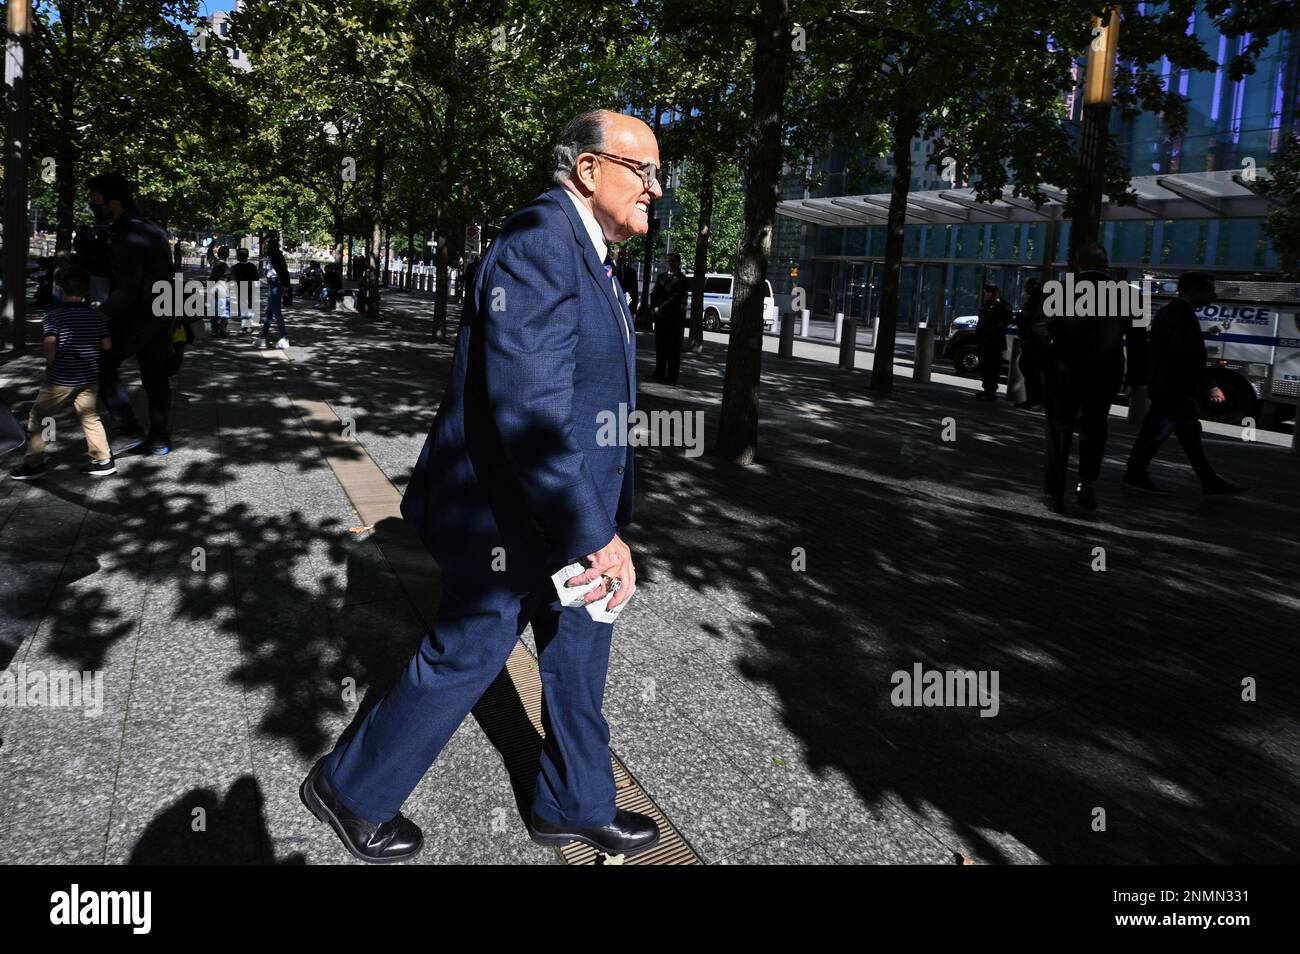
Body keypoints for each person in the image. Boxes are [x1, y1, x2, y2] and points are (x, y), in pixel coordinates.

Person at [301, 109, 662, 863]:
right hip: (514, 518)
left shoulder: (590, 253)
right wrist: (595, 533)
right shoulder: (540, 242)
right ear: (590, 170)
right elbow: (531, 410)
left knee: (578, 658)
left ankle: (574, 805)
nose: (656, 189)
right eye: (644, 170)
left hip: (569, 510)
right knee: (467, 653)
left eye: (660, 175)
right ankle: (349, 790)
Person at [1041, 243, 1147, 513]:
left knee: (1059, 429)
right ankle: (1086, 483)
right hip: (1104, 373)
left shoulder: (1060, 290)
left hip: (1064, 371)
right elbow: (1138, 341)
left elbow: (1041, 329)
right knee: (1095, 428)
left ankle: (1055, 490)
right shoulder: (1131, 296)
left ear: (1077, 264)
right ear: (1107, 265)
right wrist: (1135, 378)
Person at [1123, 271, 1248, 497]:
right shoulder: (1179, 314)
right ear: (1193, 290)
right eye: (1208, 290)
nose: (1213, 295)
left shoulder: (1175, 312)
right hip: (1172, 387)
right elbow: (1187, 355)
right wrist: (1208, 385)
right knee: (1157, 433)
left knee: (1185, 434)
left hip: (1169, 385)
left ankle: (1207, 480)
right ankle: (1135, 474)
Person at [88, 172, 177, 457]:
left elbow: (128, 288)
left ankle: (128, 428)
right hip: (162, 311)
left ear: (114, 202)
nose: (94, 205)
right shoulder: (152, 228)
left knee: (100, 362)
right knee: (155, 377)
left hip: (138, 315)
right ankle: (159, 439)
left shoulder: (128, 234)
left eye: (96, 200)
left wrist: (98, 317)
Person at [10, 264, 115, 480]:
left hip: (61, 377)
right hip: (89, 376)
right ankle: (103, 460)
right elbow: (107, 345)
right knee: (90, 417)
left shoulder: (53, 316)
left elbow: (50, 342)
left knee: (40, 416)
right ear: (86, 290)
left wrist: (50, 363)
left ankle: (34, 463)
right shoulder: (97, 317)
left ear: (60, 289)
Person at [650, 251, 689, 383]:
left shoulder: (682, 279)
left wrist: (661, 307)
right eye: (669, 261)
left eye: (673, 261)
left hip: (673, 319)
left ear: (678, 262)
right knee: (660, 346)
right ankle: (659, 372)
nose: (670, 264)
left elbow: (676, 297)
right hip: (660, 318)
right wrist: (654, 307)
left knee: (672, 349)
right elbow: (655, 292)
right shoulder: (661, 276)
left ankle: (672, 376)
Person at [974, 283, 1013, 401]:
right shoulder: (987, 305)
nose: (985, 294)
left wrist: (999, 299)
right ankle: (987, 389)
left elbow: (1007, 317)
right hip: (985, 341)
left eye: (987, 292)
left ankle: (991, 392)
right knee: (985, 366)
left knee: (993, 367)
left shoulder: (1001, 305)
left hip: (994, 341)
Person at [1014, 277, 1047, 410]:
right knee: (1026, 367)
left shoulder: (1042, 299)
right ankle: (1031, 399)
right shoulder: (1034, 299)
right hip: (1030, 338)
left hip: (1036, 339)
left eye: (1031, 285)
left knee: (1034, 370)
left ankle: (1036, 400)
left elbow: (1036, 319)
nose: (1028, 288)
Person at [258, 236, 290, 349]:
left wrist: (286, 286)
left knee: (276, 311)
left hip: (276, 283)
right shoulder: (273, 255)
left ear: (270, 245)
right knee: (269, 311)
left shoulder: (276, 255)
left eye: (266, 243)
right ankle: (263, 337)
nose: (264, 245)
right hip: (273, 283)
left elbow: (283, 271)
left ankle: (283, 337)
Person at [230, 247, 260, 334]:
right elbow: (256, 278)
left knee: (242, 308)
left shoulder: (236, 267)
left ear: (238, 257)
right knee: (250, 307)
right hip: (251, 289)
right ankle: (249, 324)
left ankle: (245, 325)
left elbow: (233, 279)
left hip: (240, 290)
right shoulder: (252, 266)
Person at [209, 245, 232, 337]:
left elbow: (213, 277)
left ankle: (215, 328)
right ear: (228, 255)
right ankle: (223, 326)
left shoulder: (216, 264)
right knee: (225, 309)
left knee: (214, 309)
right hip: (226, 288)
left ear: (218, 254)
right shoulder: (229, 265)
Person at [616, 247, 639, 315]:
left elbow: (634, 291)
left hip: (627, 307)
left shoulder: (632, 272)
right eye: (619, 254)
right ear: (614, 254)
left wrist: (634, 308)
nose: (621, 256)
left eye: (623, 254)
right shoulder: (608, 269)